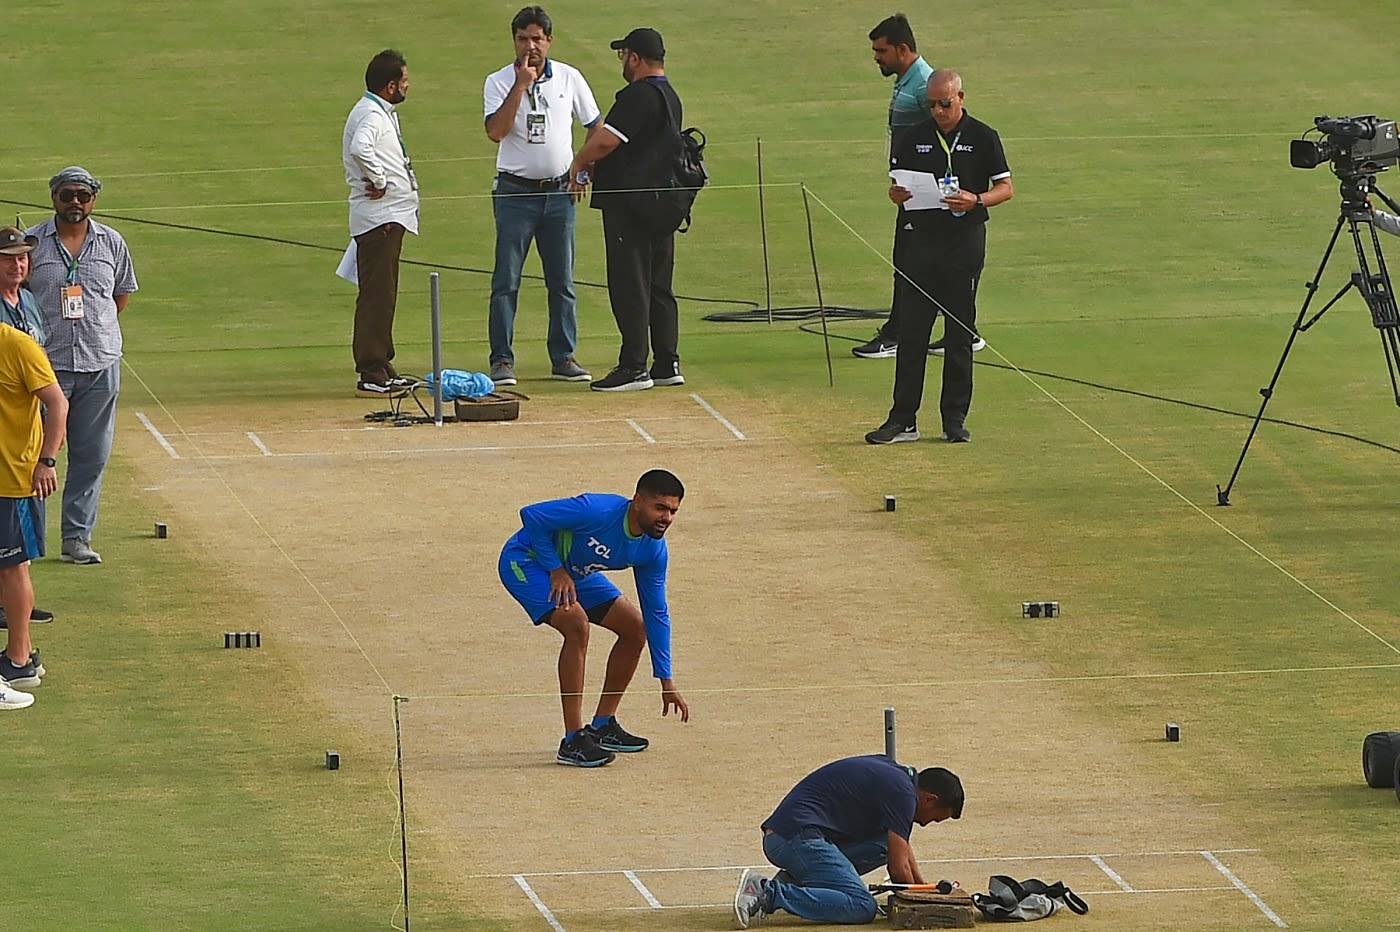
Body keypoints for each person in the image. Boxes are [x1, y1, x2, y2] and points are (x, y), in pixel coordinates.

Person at [498, 469, 690, 767]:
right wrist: (555, 569)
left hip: (575, 572)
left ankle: (602, 725)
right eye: (660, 508)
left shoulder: (653, 550)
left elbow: (656, 613)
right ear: (638, 501)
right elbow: (532, 515)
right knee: (576, 623)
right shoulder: (596, 510)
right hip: (526, 561)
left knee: (635, 628)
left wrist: (666, 679)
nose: (667, 518)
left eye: (673, 511)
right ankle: (572, 740)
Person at [865, 69, 1013, 445]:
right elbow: (898, 184)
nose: (938, 111)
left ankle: (954, 419)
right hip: (920, 244)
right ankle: (903, 420)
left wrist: (975, 199)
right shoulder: (914, 137)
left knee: (958, 335)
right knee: (912, 334)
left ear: (961, 97)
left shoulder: (982, 137)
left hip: (963, 244)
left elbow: (1005, 187)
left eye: (944, 103)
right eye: (931, 104)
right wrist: (896, 195)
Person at [853, 16, 986, 362]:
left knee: (911, 262)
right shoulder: (906, 81)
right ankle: (959, 329)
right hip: (911, 189)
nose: (876, 57)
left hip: (925, 195)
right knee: (909, 260)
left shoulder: (926, 84)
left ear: (902, 49)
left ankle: (901, 334)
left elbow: (945, 140)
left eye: (881, 51)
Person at [25, 166, 138, 565]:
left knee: (91, 456)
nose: (75, 202)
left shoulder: (111, 242)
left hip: (99, 361)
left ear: (94, 199)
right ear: (53, 196)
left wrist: (94, 329)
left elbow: (120, 296)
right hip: (43, 366)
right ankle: (31, 540)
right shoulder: (33, 244)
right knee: (35, 454)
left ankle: (76, 538)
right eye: (67, 194)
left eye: (83, 195)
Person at [483, 6, 601, 387]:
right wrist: (521, 85)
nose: (529, 46)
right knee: (506, 281)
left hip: (558, 193)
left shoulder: (569, 77)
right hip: (515, 194)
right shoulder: (499, 81)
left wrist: (583, 168)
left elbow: (595, 126)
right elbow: (496, 132)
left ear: (549, 39)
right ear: (514, 41)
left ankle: (563, 356)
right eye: (522, 39)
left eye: (537, 38)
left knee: (562, 281)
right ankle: (502, 360)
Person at [568, 28, 686, 393]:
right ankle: (666, 362)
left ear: (635, 58)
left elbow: (606, 140)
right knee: (658, 284)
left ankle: (634, 365)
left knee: (629, 283)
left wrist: (579, 163)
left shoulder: (638, 95)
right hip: (663, 204)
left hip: (631, 205)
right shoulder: (671, 96)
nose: (622, 61)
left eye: (624, 55)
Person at [733, 755, 964, 928]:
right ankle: (765, 891)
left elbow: (903, 856)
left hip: (794, 835)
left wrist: (926, 892)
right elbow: (898, 869)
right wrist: (922, 905)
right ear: (930, 799)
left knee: (885, 845)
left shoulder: (900, 779)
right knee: (862, 907)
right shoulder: (903, 794)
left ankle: (793, 883)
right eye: (934, 818)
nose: (925, 824)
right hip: (794, 838)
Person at [0, 281, 70, 706]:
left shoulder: (18, 346)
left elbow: (57, 404)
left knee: (13, 567)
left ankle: (20, 659)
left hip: (14, 479)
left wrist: (47, 460)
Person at [343, 49, 420, 399]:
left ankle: (382, 364)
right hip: (381, 220)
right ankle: (371, 369)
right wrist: (380, 180)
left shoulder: (377, 111)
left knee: (383, 293)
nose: (408, 85)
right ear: (390, 86)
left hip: (389, 218)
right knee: (377, 294)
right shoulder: (372, 116)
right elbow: (361, 148)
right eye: (404, 80)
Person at [0, 229, 54, 629]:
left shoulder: (29, 302)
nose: (17, 265)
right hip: (11, 436)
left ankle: (16, 603)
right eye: (8, 259)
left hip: (30, 427)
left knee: (21, 538)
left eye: (22, 259)